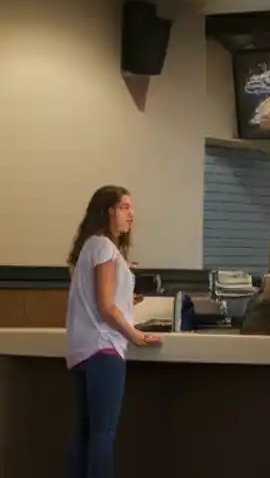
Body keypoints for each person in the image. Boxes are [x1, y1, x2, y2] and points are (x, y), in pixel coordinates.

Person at [65, 186, 162, 478]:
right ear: (108, 211)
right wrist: (135, 335)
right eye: (124, 207)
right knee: (103, 433)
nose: (131, 214)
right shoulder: (105, 247)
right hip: (104, 348)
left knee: (85, 432)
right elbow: (106, 307)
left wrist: (126, 300)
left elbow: (100, 299)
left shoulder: (90, 246)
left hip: (83, 350)